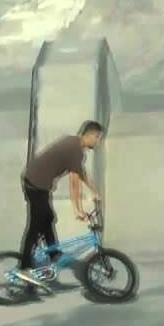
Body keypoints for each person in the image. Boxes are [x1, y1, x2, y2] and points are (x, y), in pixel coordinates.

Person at [17, 121, 105, 286]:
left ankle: (53, 254)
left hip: (37, 183)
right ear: (91, 135)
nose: (98, 142)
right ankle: (24, 267)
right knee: (36, 224)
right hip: (35, 184)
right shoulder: (75, 150)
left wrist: (95, 191)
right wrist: (78, 210)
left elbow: (81, 173)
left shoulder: (73, 145)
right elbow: (74, 184)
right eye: (98, 138)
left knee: (48, 217)